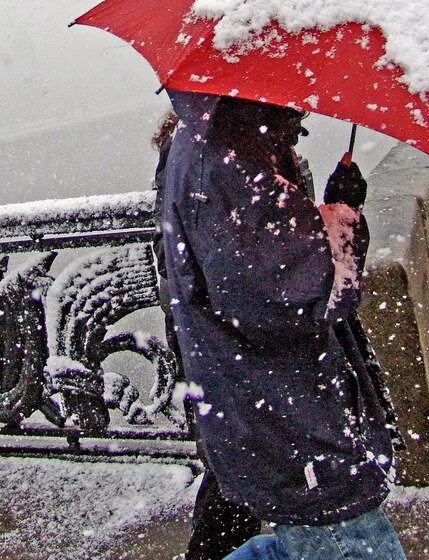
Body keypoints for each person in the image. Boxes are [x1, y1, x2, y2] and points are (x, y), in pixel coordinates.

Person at [159, 92, 406, 560]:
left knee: (300, 538)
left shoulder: (209, 144)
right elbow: (299, 296)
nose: (303, 121)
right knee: (346, 539)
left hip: (261, 400)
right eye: (296, 112)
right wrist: (343, 217)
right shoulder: (231, 162)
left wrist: (319, 210)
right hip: (290, 411)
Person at [152, 109, 263, 560]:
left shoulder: (187, 150)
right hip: (224, 342)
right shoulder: (212, 156)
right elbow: (246, 270)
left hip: (204, 338)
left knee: (233, 469)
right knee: (237, 473)